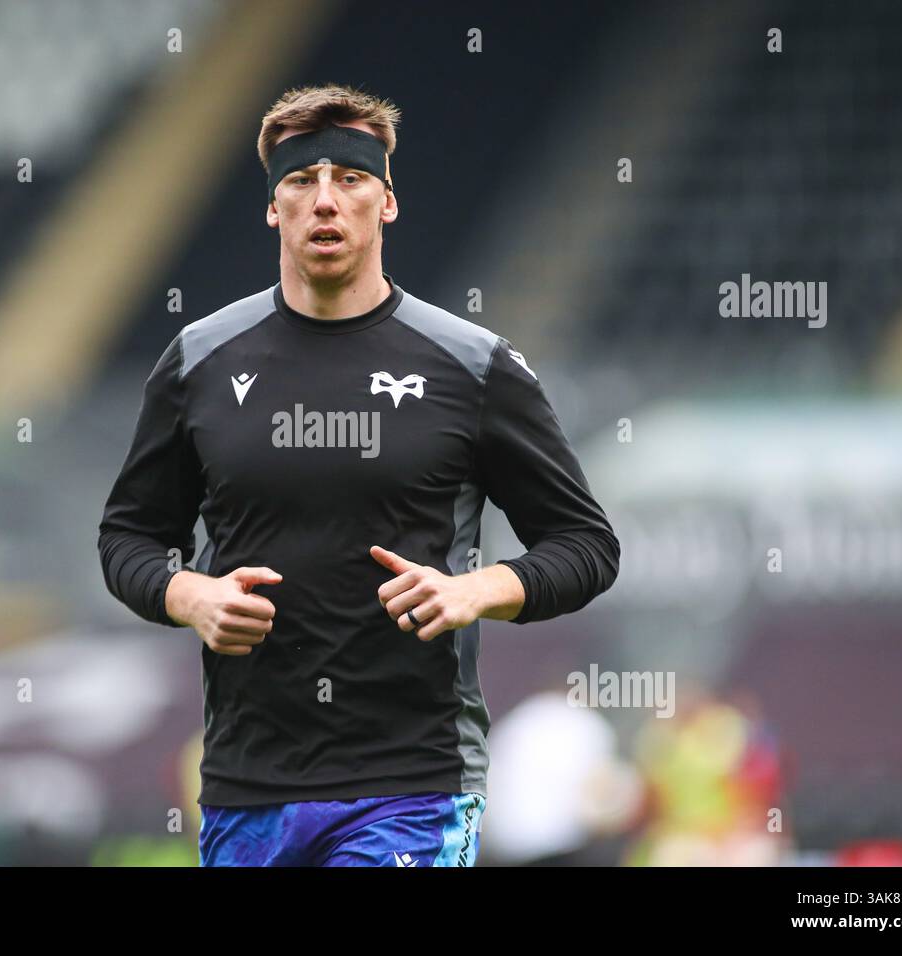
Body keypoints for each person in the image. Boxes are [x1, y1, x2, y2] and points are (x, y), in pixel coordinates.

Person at [97, 84, 619, 866]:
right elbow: (129, 536)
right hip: (250, 785)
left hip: (413, 782)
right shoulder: (199, 361)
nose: (326, 201)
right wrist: (188, 595)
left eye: (350, 179)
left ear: (388, 203)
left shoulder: (473, 366)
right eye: (302, 182)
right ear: (274, 209)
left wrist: (476, 590)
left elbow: (585, 544)